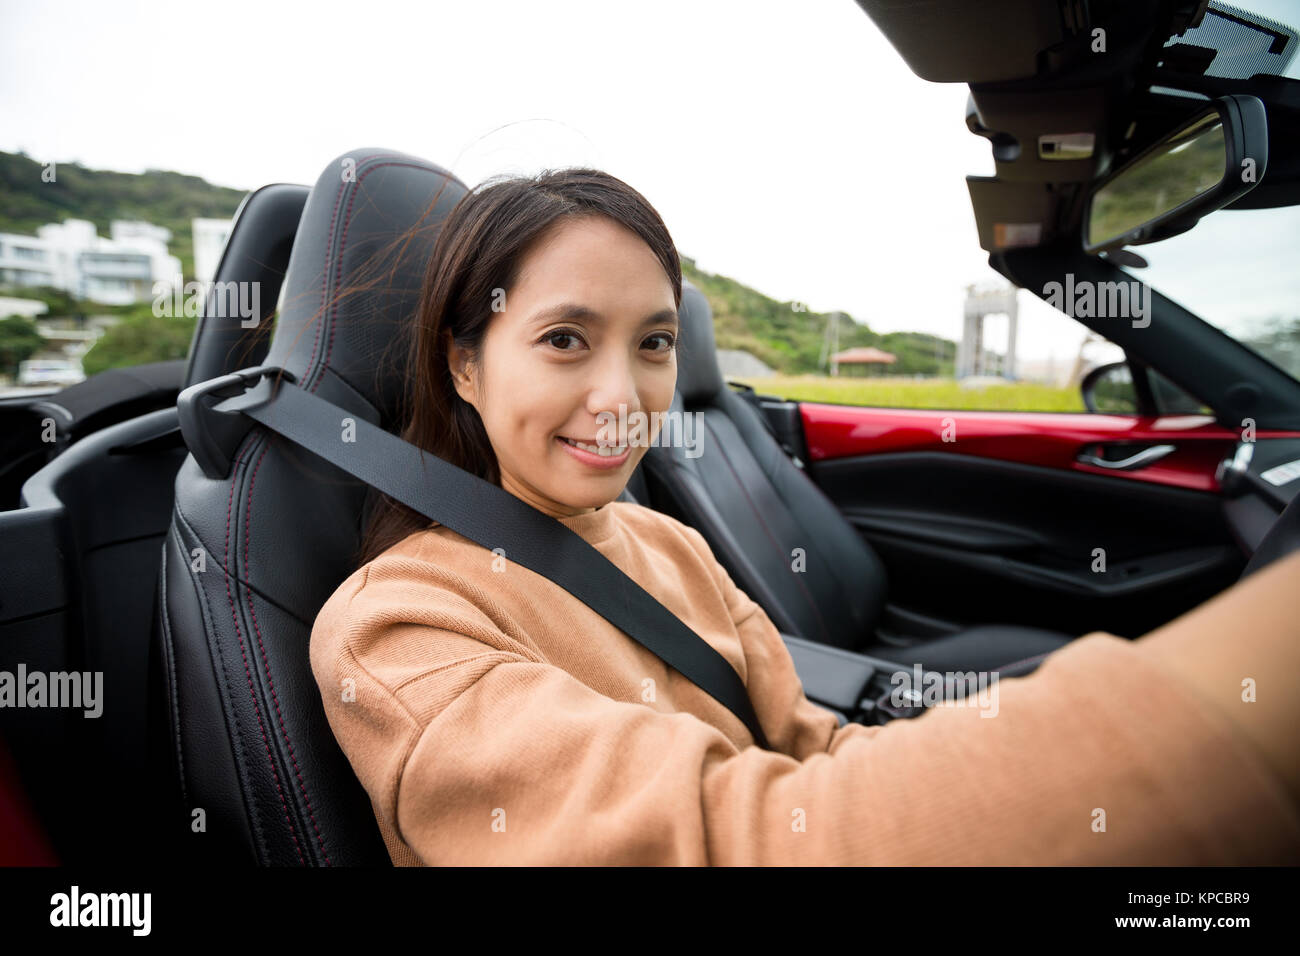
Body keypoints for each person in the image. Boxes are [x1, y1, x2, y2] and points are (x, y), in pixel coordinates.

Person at [309, 167, 1300, 865]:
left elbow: (810, 742)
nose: (622, 394)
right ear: (463, 361)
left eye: (654, 342)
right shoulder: (398, 628)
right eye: (564, 338)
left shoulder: (667, 541)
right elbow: (730, 839)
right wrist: (1228, 717)